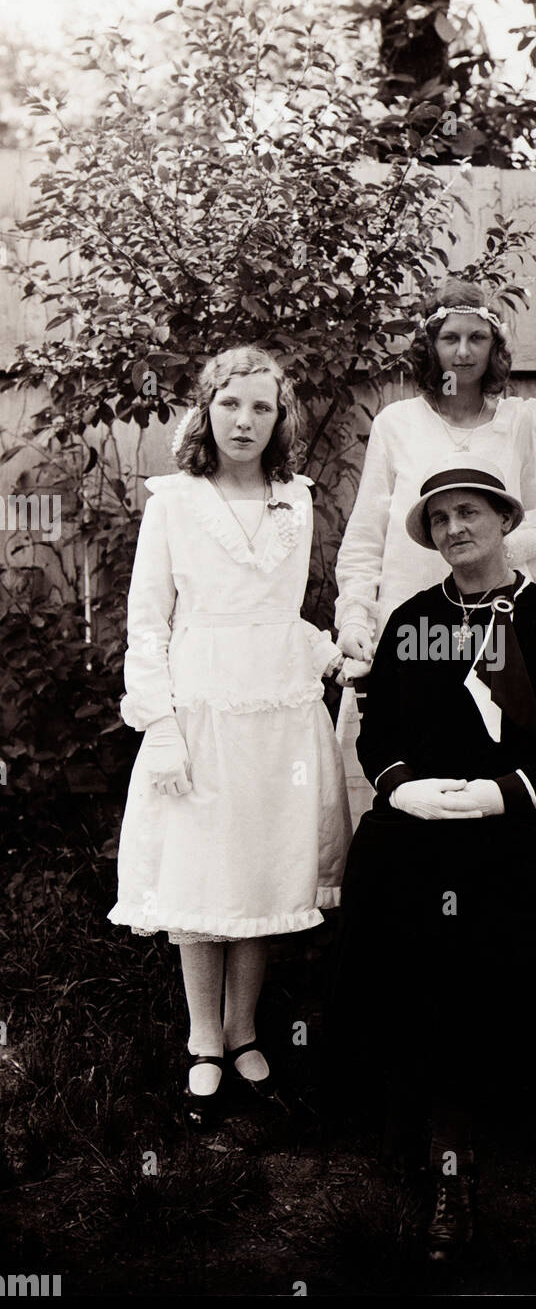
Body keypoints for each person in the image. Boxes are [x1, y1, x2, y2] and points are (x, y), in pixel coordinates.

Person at [330, 458, 536, 1262]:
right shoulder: (413, 619)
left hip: (515, 825)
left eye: (470, 513)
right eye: (440, 520)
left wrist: (501, 795)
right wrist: (402, 790)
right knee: (405, 902)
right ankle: (444, 1150)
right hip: (422, 824)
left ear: (501, 520)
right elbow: (378, 730)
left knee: (511, 915)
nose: (455, 530)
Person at [108, 346, 352, 1129]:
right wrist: (163, 725)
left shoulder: (296, 499)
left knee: (260, 871)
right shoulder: (175, 501)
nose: (244, 421)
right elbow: (147, 624)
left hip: (278, 714)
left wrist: (332, 655)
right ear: (204, 410)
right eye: (230, 405)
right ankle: (203, 1039)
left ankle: (246, 1030)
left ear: (280, 420)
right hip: (200, 711)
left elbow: (280, 617)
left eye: (261, 408)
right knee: (201, 873)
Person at [333, 277, 536, 822]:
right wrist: (355, 620)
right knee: (402, 776)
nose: (463, 353)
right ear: (429, 346)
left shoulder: (517, 424)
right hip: (410, 631)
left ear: (495, 347)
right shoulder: (397, 424)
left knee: (488, 767)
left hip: (493, 626)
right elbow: (366, 537)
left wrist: (495, 552)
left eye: (477, 339)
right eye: (449, 338)